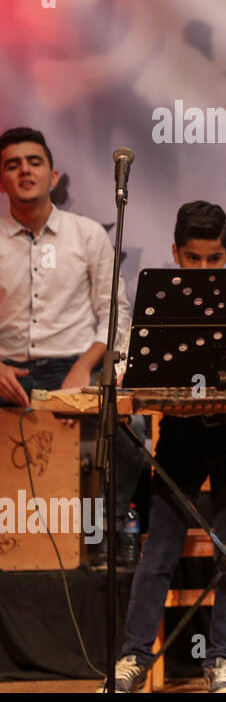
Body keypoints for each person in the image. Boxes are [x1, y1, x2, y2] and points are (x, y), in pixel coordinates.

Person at [103, 201, 226, 693]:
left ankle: (222, 662)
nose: (204, 270)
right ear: (176, 253)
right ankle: (132, 657)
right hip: (181, 436)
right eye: (193, 260)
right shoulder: (159, 303)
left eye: (214, 260)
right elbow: (133, 369)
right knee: (160, 549)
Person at [0, 126, 142, 562]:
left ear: (54, 175)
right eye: (12, 164)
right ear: (2, 180)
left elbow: (115, 315)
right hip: (9, 374)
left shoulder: (87, 235)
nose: (25, 170)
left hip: (76, 369)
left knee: (129, 433)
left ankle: (107, 538)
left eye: (34, 161)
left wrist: (86, 366)